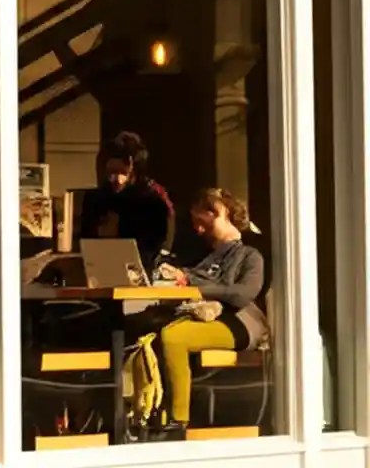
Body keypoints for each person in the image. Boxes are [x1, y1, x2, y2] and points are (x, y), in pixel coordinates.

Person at [157, 188, 267, 428]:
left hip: (240, 322)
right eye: (196, 225)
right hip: (207, 317)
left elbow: (242, 294)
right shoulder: (208, 256)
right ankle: (150, 411)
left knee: (173, 337)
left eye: (204, 224)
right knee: (148, 329)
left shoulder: (251, 255)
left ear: (222, 213)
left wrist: (192, 283)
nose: (199, 231)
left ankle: (178, 419)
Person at [79, 131, 175, 271]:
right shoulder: (97, 198)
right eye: (111, 172)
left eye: (122, 172)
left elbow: (161, 242)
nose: (117, 179)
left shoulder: (153, 199)